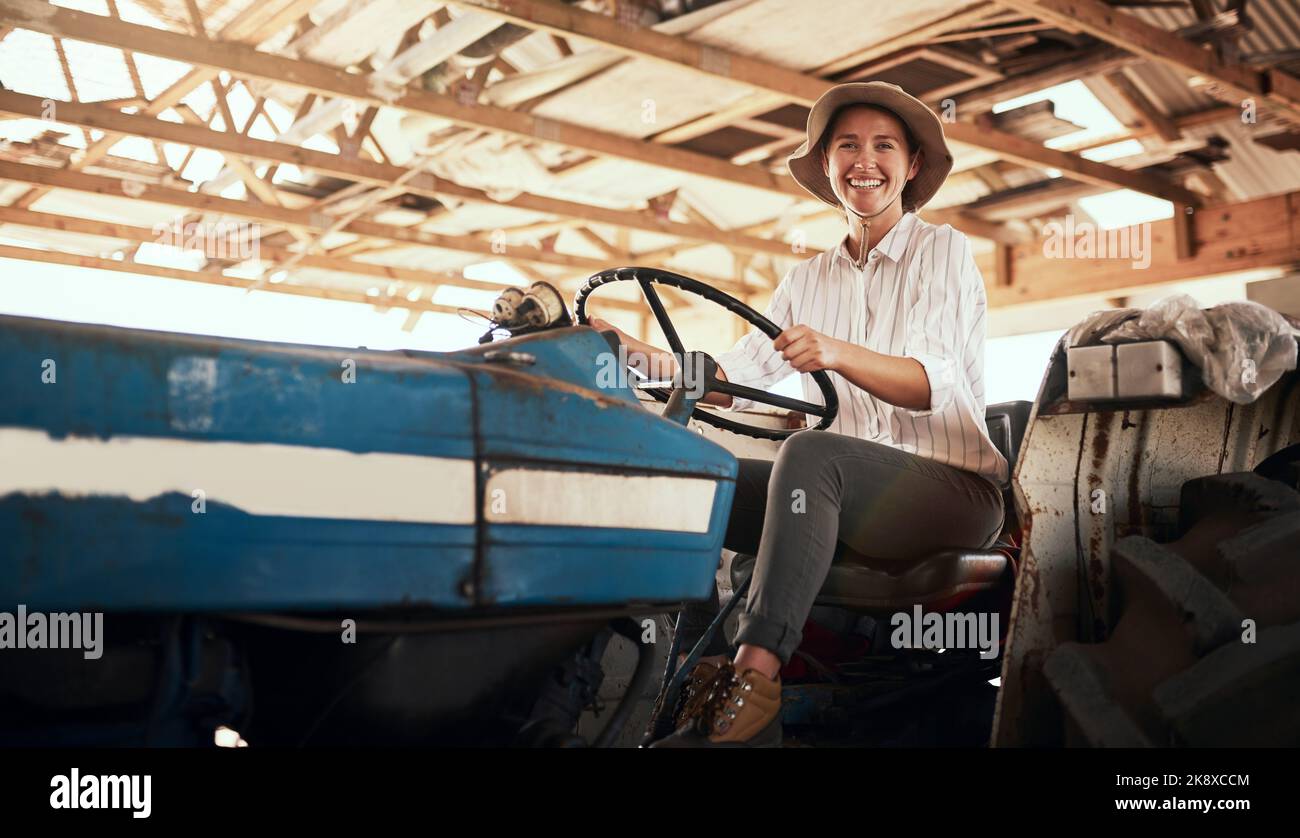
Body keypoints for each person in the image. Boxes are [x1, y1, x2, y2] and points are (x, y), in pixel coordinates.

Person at [590, 82, 1008, 747]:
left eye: (883, 146)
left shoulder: (944, 253)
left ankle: (754, 679)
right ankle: (688, 674)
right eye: (847, 146)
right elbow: (733, 382)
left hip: (952, 492)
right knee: (700, 478)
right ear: (825, 164)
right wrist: (634, 355)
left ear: (913, 166)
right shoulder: (807, 280)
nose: (863, 161)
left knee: (808, 455)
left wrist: (836, 352)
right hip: (845, 493)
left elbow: (929, 382)